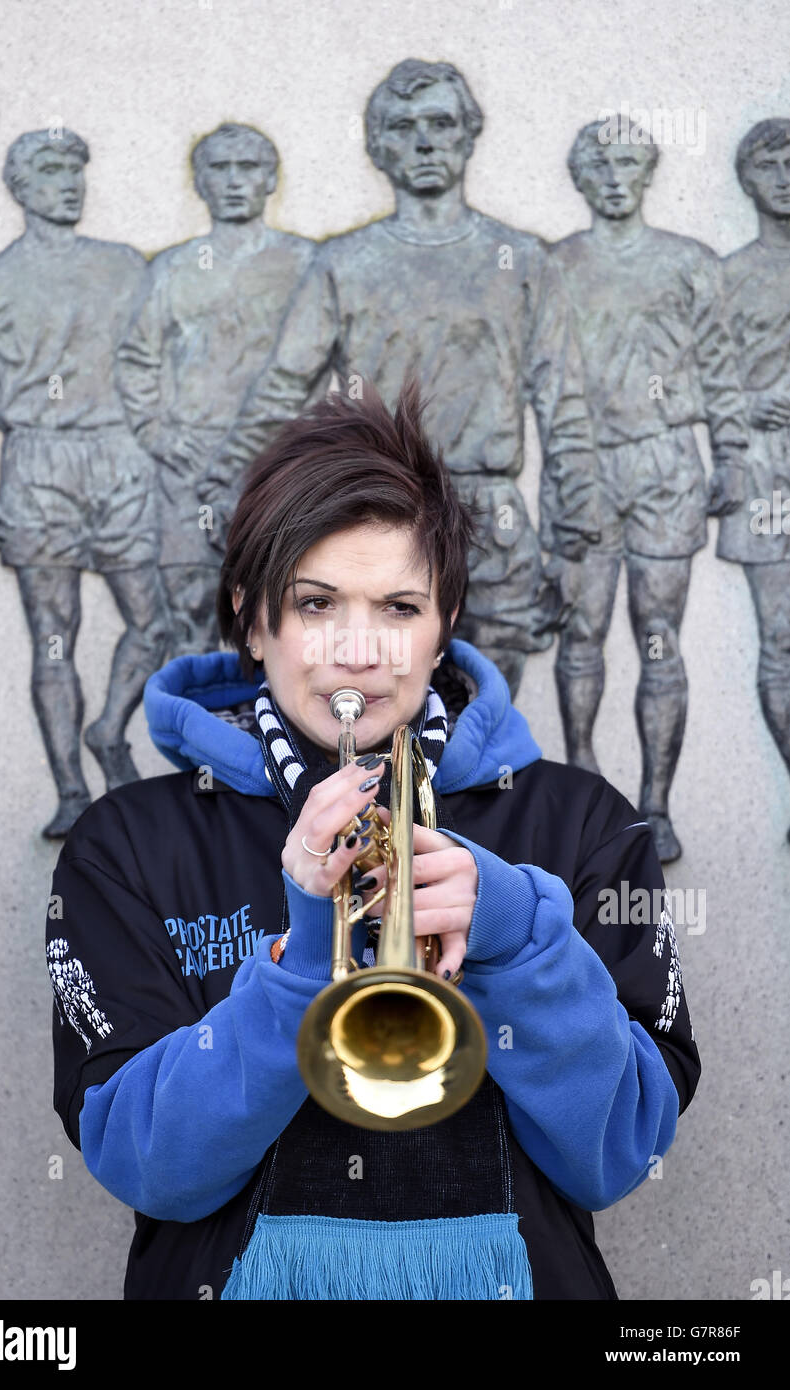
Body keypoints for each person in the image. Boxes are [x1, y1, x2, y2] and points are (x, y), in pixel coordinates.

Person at [48, 378, 699, 1301]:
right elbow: (149, 1165)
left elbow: (617, 1153)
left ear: (444, 629)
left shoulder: (578, 822)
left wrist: (513, 934)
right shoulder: (128, 843)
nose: (358, 651)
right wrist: (304, 960)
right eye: (316, 604)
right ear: (251, 615)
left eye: (399, 609)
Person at [196, 58, 602, 699]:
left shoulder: (523, 261)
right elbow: (281, 389)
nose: (423, 141)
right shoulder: (344, 264)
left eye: (441, 123)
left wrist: (576, 538)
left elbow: (565, 409)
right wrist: (224, 487)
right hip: (376, 515)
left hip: (489, 519)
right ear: (379, 147)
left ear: (469, 135)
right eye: (403, 126)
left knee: (481, 725)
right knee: (374, 715)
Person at [0, 128, 170, 838]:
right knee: (54, 636)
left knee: (153, 622)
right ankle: (72, 791)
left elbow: (157, 368)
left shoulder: (125, 268)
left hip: (117, 458)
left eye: (77, 170)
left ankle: (108, 727)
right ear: (20, 188)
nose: (70, 183)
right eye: (51, 171)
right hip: (37, 467)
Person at [551, 118, 749, 863]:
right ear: (578, 177)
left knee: (657, 634)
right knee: (582, 630)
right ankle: (578, 777)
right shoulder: (554, 265)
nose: (611, 177)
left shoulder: (689, 262)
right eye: (597, 165)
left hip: (667, 463)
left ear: (646, 172)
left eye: (626, 163)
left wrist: (728, 453)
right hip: (584, 463)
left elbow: (722, 368)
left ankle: (656, 804)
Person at [117, 123, 316, 657]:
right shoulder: (173, 268)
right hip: (187, 466)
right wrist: (157, 434)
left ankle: (274, 741)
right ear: (199, 182)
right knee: (191, 617)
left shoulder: (307, 264)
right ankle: (200, 739)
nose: (233, 181)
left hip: (280, 461)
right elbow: (135, 358)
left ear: (270, 178)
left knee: (288, 616)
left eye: (247, 167)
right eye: (219, 169)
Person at [718, 118, 790, 842]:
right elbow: (701, 378)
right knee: (780, 638)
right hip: (771, 478)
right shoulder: (730, 275)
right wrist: (747, 404)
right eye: (770, 166)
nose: (784, 177)